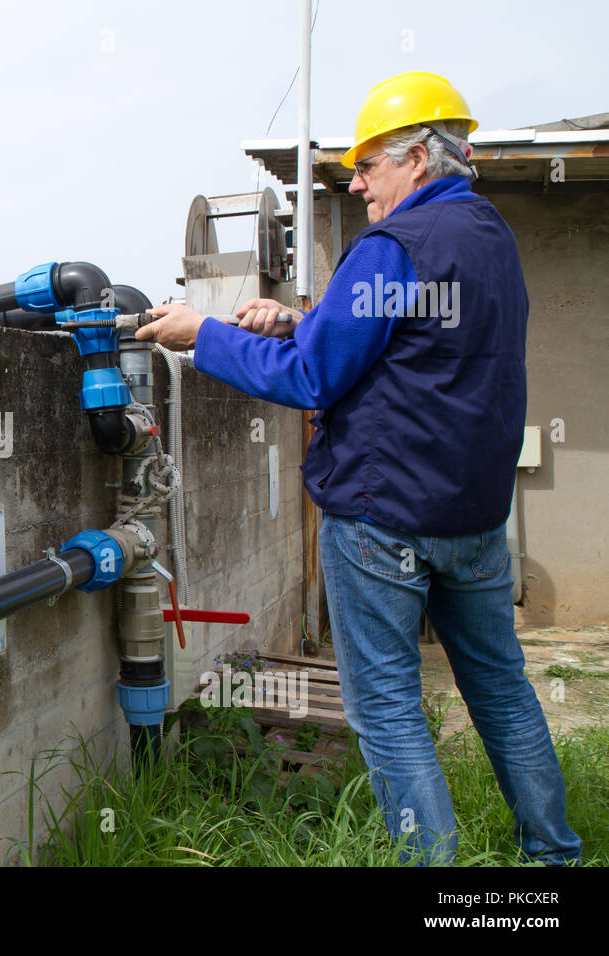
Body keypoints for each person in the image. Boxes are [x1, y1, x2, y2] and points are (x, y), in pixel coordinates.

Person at [136, 71, 581, 865]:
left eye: (366, 166)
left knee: (389, 711)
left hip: (384, 519)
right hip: (475, 521)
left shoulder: (393, 247)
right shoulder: (490, 237)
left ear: (414, 158)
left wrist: (203, 333)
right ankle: (555, 859)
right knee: (506, 695)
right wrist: (300, 322)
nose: (357, 182)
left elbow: (310, 379)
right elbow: (413, 350)